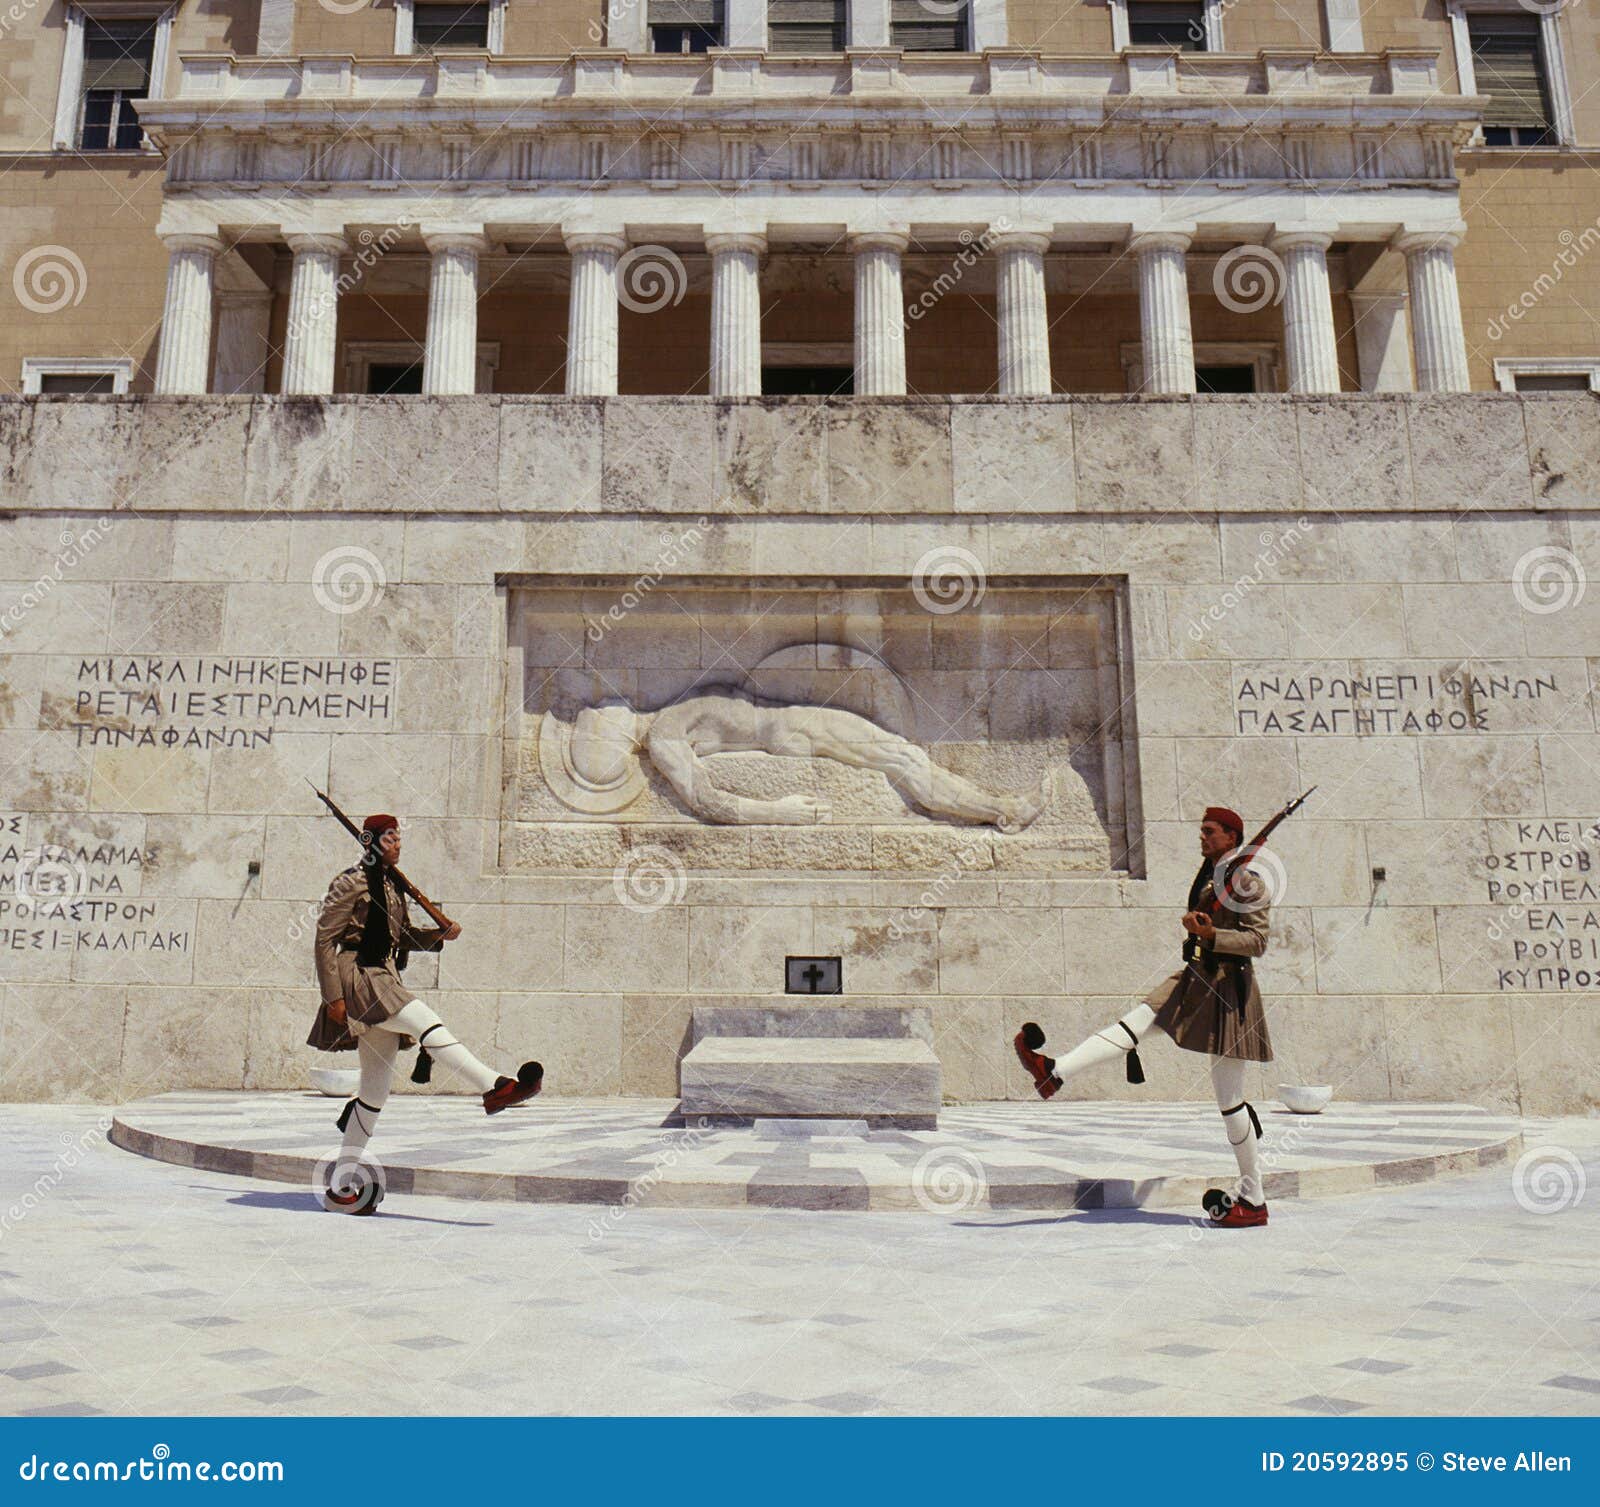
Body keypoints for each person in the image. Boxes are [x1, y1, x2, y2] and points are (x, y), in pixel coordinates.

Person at [1014, 806, 1276, 1228]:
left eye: (1210, 832)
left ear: (1231, 836)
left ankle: (1254, 1196)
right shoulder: (1211, 874)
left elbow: (1257, 941)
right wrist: (1200, 930)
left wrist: (1211, 934)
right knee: (1136, 1020)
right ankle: (1053, 1070)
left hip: (1229, 989)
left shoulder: (1246, 881)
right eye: (1202, 831)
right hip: (1196, 976)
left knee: (1230, 1100)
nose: (1202, 838)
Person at [306, 813, 544, 1214]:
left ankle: (342, 1188)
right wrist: (333, 998)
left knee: (375, 1090)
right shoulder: (351, 882)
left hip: (384, 972)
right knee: (424, 1020)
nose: (399, 844)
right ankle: (494, 1085)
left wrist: (438, 935)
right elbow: (324, 938)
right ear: (372, 841)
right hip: (360, 975)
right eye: (391, 838)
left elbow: (399, 936)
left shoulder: (392, 886)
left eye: (399, 837)